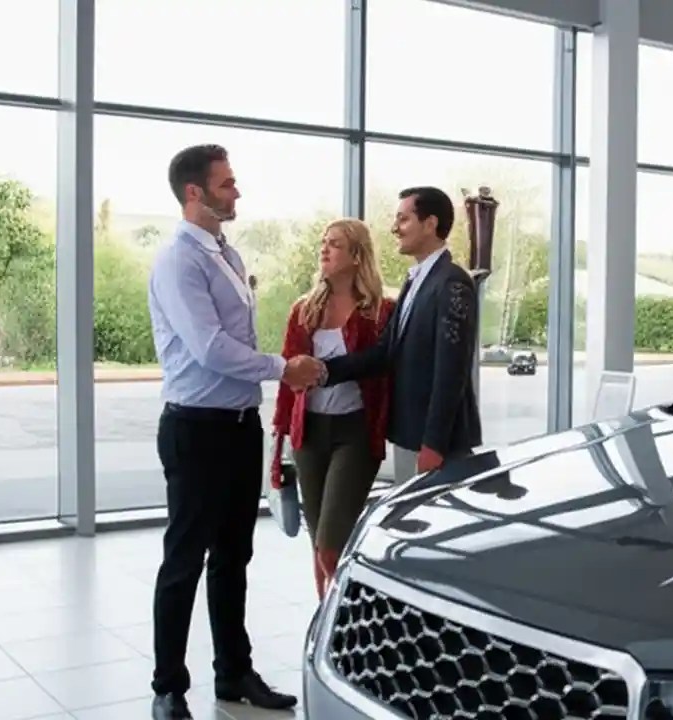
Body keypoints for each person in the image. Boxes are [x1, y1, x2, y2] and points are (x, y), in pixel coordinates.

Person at [146, 144, 314, 720]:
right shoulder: (179, 261)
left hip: (240, 426)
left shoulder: (227, 254)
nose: (236, 191)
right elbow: (211, 348)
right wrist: (283, 367)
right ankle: (168, 688)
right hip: (196, 429)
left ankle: (234, 673)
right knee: (184, 561)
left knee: (233, 557)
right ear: (194, 192)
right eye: (226, 183)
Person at [319, 186, 482, 481]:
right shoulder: (416, 280)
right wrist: (323, 371)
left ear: (430, 224)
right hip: (410, 435)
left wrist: (434, 444)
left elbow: (452, 370)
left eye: (403, 219)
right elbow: (386, 352)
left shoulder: (453, 283)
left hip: (437, 443)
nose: (395, 228)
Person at [270, 218, 395, 599]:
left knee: (330, 543)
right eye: (323, 242)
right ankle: (326, 614)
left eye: (335, 244)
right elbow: (289, 379)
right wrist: (279, 441)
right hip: (308, 433)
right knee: (317, 543)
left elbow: (384, 370)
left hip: (354, 434)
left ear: (357, 256)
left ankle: (347, 612)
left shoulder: (381, 312)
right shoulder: (304, 310)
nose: (324, 249)